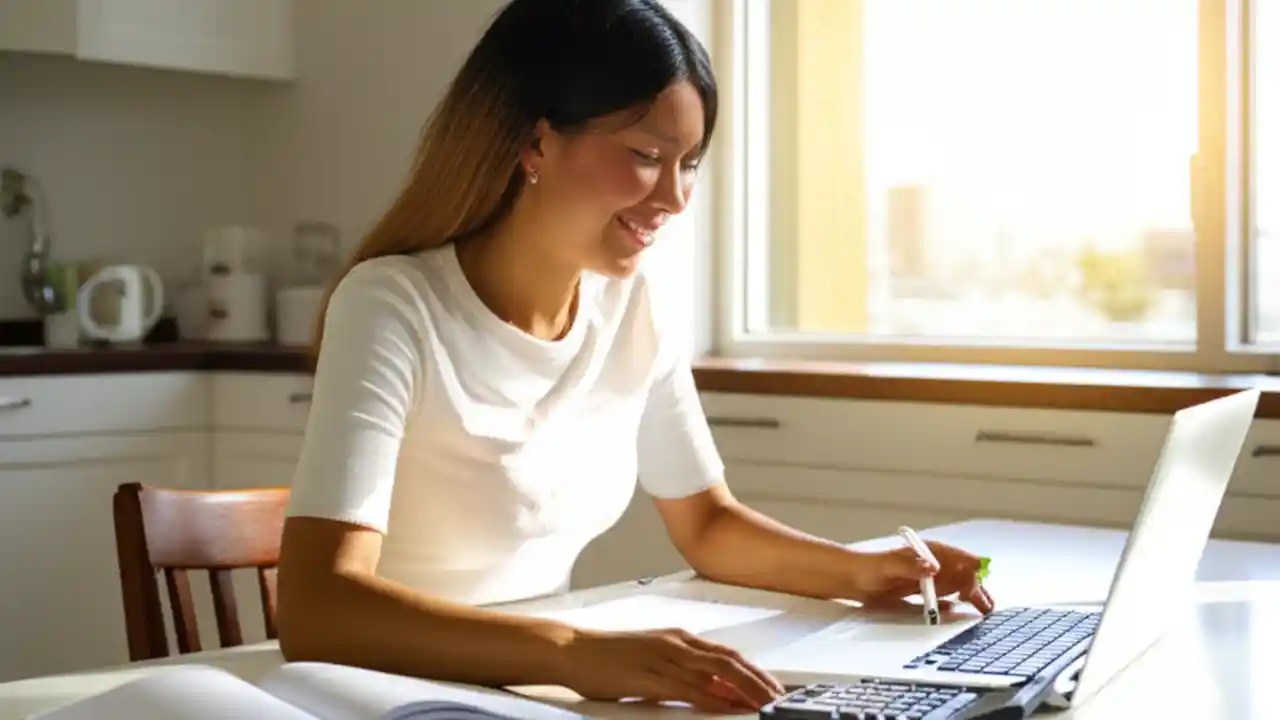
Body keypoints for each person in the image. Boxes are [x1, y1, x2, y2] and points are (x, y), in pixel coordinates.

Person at [276, 0, 996, 714]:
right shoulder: (392, 305)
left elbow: (708, 526)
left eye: (690, 163)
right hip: (389, 692)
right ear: (535, 143)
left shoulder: (633, 306)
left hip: (532, 692)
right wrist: (571, 652)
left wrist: (867, 573)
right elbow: (319, 608)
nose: (676, 197)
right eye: (648, 157)